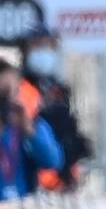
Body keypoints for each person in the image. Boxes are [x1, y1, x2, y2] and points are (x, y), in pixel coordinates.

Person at [18, 24, 91, 192]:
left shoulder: (59, 90)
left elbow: (70, 136)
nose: (43, 51)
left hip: (62, 184)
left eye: (48, 45)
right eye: (37, 46)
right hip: (34, 184)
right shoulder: (21, 90)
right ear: (25, 52)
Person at [0, 56, 63, 201]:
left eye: (6, 90)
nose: (1, 94)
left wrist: (31, 132)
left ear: (18, 83)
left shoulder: (31, 120)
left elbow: (53, 162)